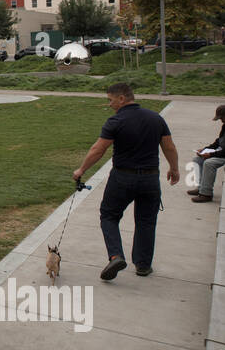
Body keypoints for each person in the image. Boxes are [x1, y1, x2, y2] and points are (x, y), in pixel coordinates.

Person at [72, 82, 181, 280]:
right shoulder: (156, 118)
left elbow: (98, 149)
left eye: (111, 100)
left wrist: (81, 169)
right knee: (146, 221)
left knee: (109, 216)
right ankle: (143, 265)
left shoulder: (116, 121)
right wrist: (174, 169)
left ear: (122, 98)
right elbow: (169, 147)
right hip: (150, 178)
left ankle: (115, 256)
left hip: (123, 177)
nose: (110, 104)